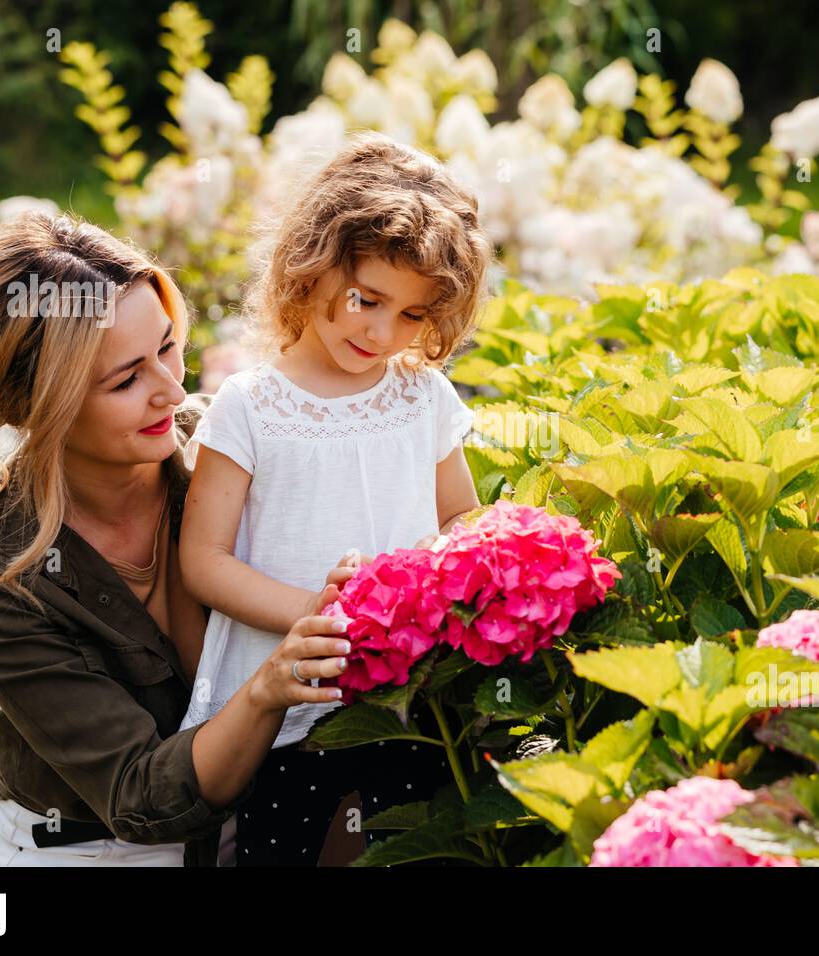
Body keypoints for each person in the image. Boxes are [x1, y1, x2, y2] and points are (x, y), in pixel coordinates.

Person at [0, 212, 362, 865]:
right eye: (126, 380)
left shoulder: (220, 453)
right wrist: (268, 688)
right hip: (89, 849)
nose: (171, 389)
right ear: (46, 409)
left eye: (167, 346)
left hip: (250, 827)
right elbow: (137, 795)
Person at [177, 130, 494, 865]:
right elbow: (203, 560)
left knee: (408, 847)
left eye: (413, 315)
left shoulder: (423, 397)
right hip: (290, 703)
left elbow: (461, 519)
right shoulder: (251, 406)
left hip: (411, 699)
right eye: (367, 299)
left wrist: (442, 586)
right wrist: (317, 616)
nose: (383, 332)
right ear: (312, 265)